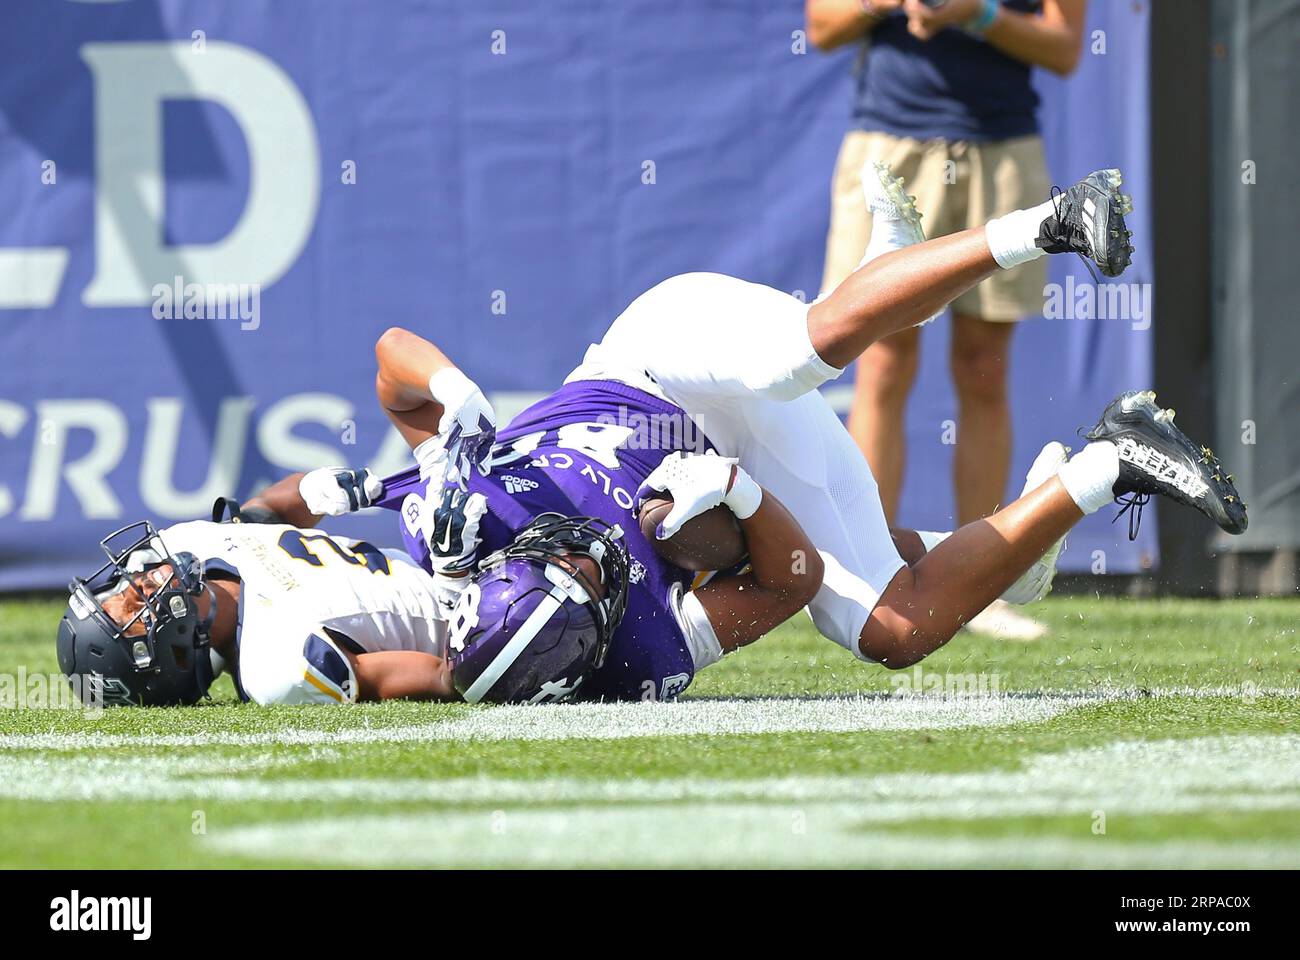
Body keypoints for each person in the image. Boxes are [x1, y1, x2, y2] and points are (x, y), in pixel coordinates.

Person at [58, 164, 1247, 707]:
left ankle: (1050, 220)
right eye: (121, 614)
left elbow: (386, 370)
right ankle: (1106, 463)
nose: (128, 584)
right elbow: (424, 675)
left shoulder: (448, 514)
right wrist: (724, 485)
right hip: (713, 471)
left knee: (797, 350)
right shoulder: (337, 646)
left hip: (647, 363)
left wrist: (451, 408)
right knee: (892, 625)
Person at [807, 0, 1088, 640]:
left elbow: (1064, 47)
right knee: (881, 360)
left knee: (983, 369)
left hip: (1003, 150)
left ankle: (984, 588)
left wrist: (976, 14)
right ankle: (865, 575)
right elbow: (822, 26)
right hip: (889, 149)